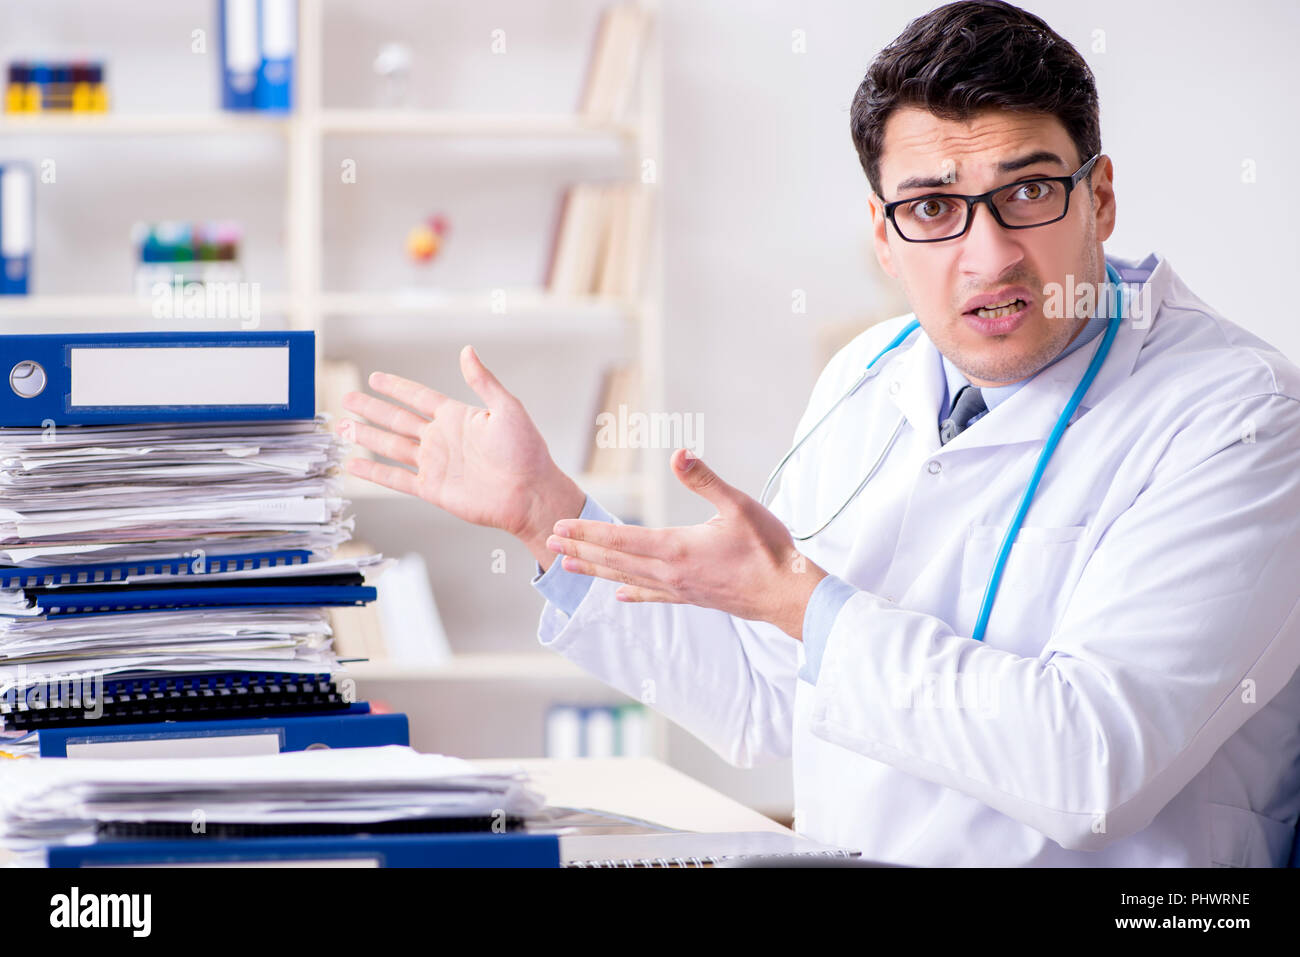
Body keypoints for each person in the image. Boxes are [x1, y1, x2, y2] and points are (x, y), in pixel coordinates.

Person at [338, 0, 1300, 866]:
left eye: (1031, 191)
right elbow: (772, 705)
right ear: (882, 236)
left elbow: (1092, 765)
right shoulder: (868, 374)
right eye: (933, 208)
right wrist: (543, 511)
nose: (989, 252)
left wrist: (806, 603)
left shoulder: (1237, 413)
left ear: (1100, 198)